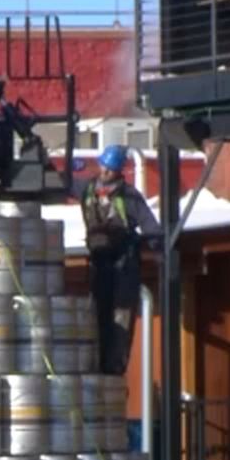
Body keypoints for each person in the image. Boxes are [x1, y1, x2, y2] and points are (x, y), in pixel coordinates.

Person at [75, 144, 163, 376]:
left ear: (118, 171)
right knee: (98, 317)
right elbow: (60, 183)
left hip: (124, 265)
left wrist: (162, 254)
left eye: (110, 169)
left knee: (121, 318)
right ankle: (97, 366)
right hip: (100, 263)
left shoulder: (129, 196)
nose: (105, 172)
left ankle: (114, 369)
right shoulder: (87, 189)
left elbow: (150, 227)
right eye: (103, 166)